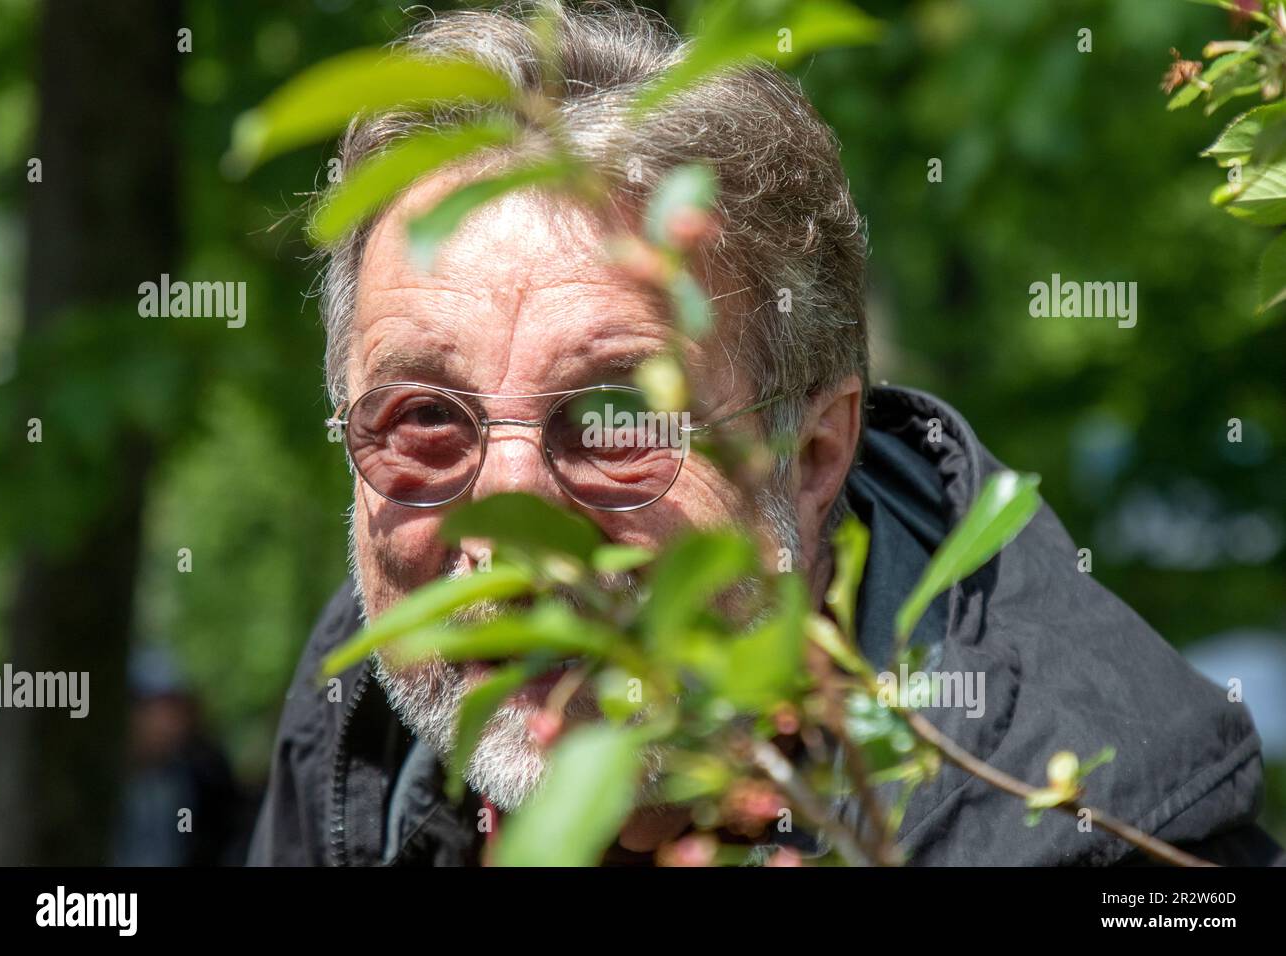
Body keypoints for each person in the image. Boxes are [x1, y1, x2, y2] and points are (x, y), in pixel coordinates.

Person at [248, 1, 1282, 866]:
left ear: (811, 454)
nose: (503, 544)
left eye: (614, 420)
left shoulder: (1106, 831)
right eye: (423, 417)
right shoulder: (369, 683)